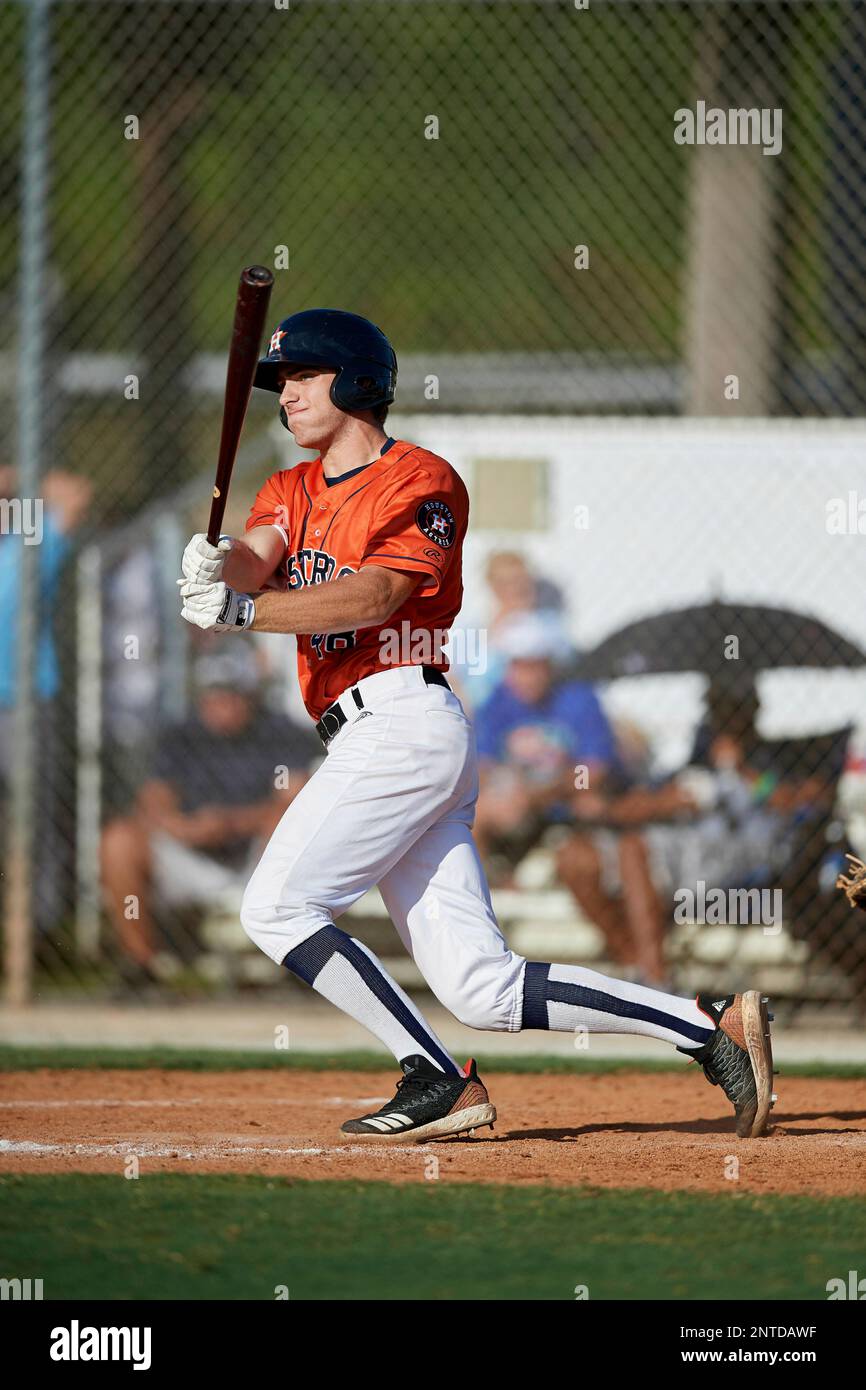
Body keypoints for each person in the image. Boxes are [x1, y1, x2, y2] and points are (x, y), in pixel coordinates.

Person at [177, 308, 775, 1142]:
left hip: (403, 719)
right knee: (482, 989)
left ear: (355, 381)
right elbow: (258, 553)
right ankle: (711, 1028)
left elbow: (377, 595)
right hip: (370, 735)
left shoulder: (422, 479)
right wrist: (215, 565)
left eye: (305, 377)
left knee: (277, 908)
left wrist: (243, 609)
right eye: (283, 384)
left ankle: (432, 1076)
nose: (288, 396)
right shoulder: (290, 486)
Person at [100, 648, 318, 986]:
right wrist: (184, 828)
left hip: (257, 859)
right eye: (213, 694)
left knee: (285, 829)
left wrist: (230, 823)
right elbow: (153, 802)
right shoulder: (181, 735)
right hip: (193, 857)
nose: (222, 703)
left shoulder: (279, 732)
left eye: (232, 694)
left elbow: (294, 801)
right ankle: (141, 968)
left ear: (250, 695)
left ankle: (292, 966)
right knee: (119, 840)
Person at [471, 611, 619, 871]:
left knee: (591, 803)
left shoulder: (578, 699)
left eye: (535, 665)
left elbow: (593, 772)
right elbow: (482, 766)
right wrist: (503, 788)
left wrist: (546, 791)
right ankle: (483, 888)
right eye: (519, 665)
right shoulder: (498, 702)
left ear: (551, 665)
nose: (527, 676)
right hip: (518, 799)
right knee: (475, 811)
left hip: (565, 797)